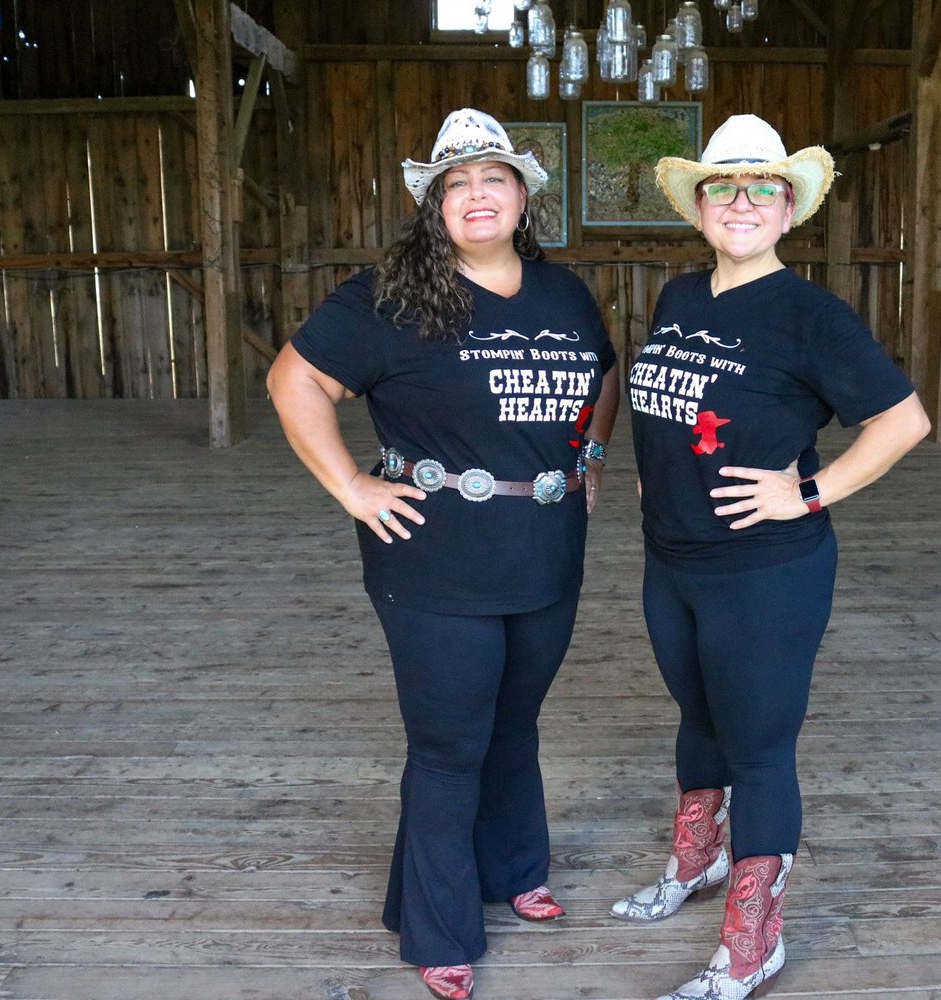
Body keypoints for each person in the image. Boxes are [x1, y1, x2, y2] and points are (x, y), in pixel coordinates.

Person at [267, 108, 619, 1000]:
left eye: (493, 177)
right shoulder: (388, 297)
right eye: (455, 182)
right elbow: (294, 378)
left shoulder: (564, 293)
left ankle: (514, 867)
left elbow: (602, 372)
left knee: (515, 720)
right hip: (434, 559)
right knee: (449, 741)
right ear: (433, 205)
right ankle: (438, 925)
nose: (475, 194)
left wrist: (589, 453)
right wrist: (351, 484)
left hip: (544, 550)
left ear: (523, 197)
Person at [612, 114, 932, 999]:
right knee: (696, 718)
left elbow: (903, 421)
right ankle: (698, 863)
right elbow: (669, 406)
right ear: (700, 206)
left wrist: (810, 490)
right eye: (724, 188)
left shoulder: (811, 315)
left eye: (762, 189)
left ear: (789, 210)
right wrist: (653, 479)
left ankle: (755, 945)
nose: (742, 203)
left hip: (766, 570)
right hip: (672, 558)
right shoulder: (680, 297)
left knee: (758, 747)